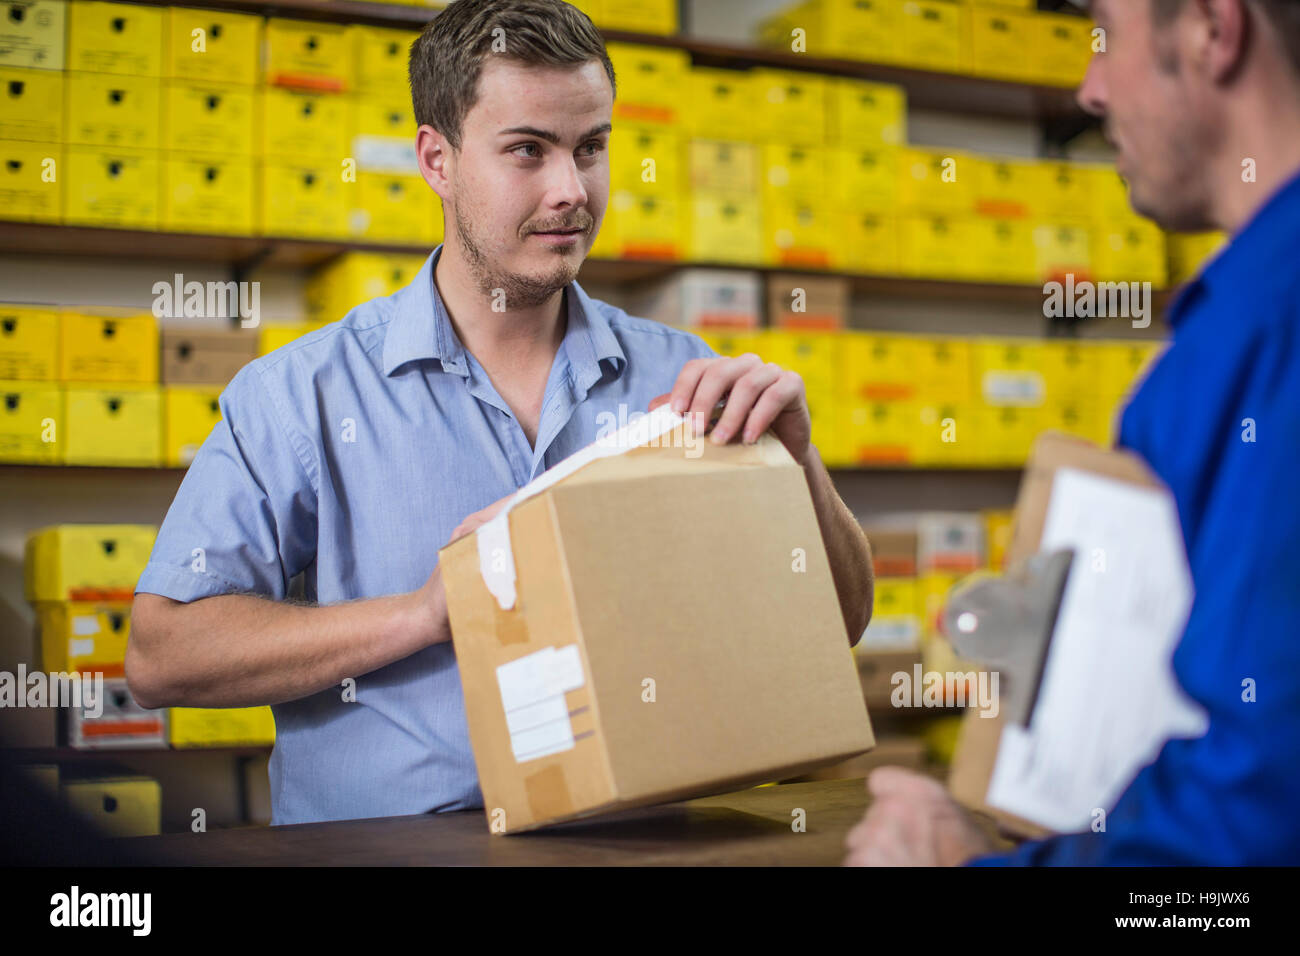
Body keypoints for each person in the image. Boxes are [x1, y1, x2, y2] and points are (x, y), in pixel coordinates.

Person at [127, 0, 874, 826]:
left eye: (591, 148)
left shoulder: (682, 377)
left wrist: (799, 465)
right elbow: (164, 655)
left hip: (653, 840)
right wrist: (424, 613)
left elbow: (834, 626)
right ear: (436, 159)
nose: (570, 191)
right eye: (528, 150)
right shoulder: (301, 396)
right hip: (399, 854)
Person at [845, 0, 1300, 866]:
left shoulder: (1266, 323)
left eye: (1103, 38)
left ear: (1211, 29)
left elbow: (1255, 820)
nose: (1089, 91)